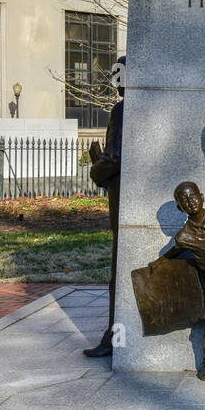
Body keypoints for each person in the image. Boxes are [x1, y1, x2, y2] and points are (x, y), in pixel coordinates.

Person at [157, 181, 205, 380]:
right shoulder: (184, 236)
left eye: (193, 196)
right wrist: (159, 261)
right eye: (184, 200)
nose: (190, 202)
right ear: (180, 207)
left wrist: (193, 242)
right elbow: (176, 250)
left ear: (202, 196)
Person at [85, 55, 125, 358]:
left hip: (122, 193)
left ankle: (115, 335)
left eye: (116, 74)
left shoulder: (122, 110)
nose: (114, 80)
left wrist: (96, 168)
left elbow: (113, 157)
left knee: (119, 265)